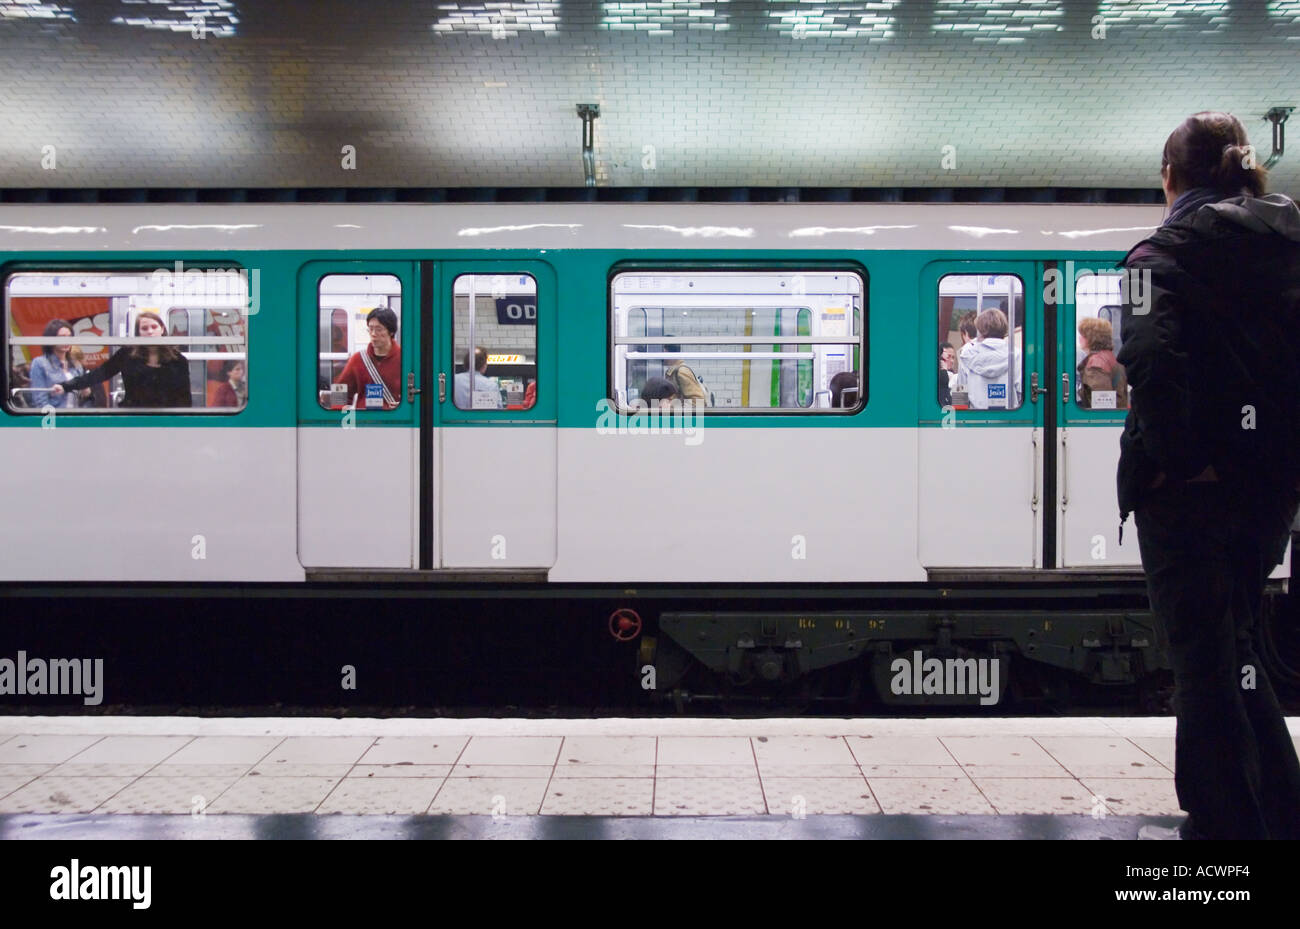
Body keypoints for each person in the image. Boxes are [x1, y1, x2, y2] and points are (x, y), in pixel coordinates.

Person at [1117, 111, 1300, 840]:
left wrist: (1179, 462)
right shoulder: (1289, 249)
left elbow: (1148, 357)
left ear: (1170, 177)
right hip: (1268, 493)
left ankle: (1219, 829)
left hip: (1190, 501)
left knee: (1201, 660)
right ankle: (1277, 813)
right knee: (1239, 648)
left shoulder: (1153, 258)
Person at [51, 311, 190, 408]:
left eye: (154, 327)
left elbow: (184, 398)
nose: (150, 331)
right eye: (144, 328)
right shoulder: (127, 355)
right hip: (133, 419)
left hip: (167, 420)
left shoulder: (178, 360)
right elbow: (99, 374)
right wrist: (66, 386)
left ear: (162, 329)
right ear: (138, 333)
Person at [334, 307, 401, 410]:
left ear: (391, 332)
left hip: (396, 418)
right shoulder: (357, 359)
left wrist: (403, 407)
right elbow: (339, 394)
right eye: (370, 329)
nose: (373, 334)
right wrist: (344, 414)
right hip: (365, 418)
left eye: (379, 329)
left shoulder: (404, 359)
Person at [955, 308, 1018, 410]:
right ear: (1004, 328)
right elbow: (1021, 391)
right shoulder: (1016, 354)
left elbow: (960, 396)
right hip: (1010, 416)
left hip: (976, 416)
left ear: (979, 329)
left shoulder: (967, 355)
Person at [28, 318, 87, 409]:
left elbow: (85, 397)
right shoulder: (40, 363)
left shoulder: (76, 364)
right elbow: (40, 400)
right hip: (54, 414)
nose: (66, 340)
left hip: (75, 414)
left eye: (69, 337)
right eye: (62, 337)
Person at [1075, 317, 1128, 409]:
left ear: (1091, 338)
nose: (1079, 338)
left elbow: (1102, 404)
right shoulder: (1108, 356)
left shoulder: (1096, 364)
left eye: (1082, 335)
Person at [937, 342, 956, 407]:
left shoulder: (956, 377)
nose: (952, 361)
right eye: (948, 357)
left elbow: (960, 404)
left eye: (953, 357)